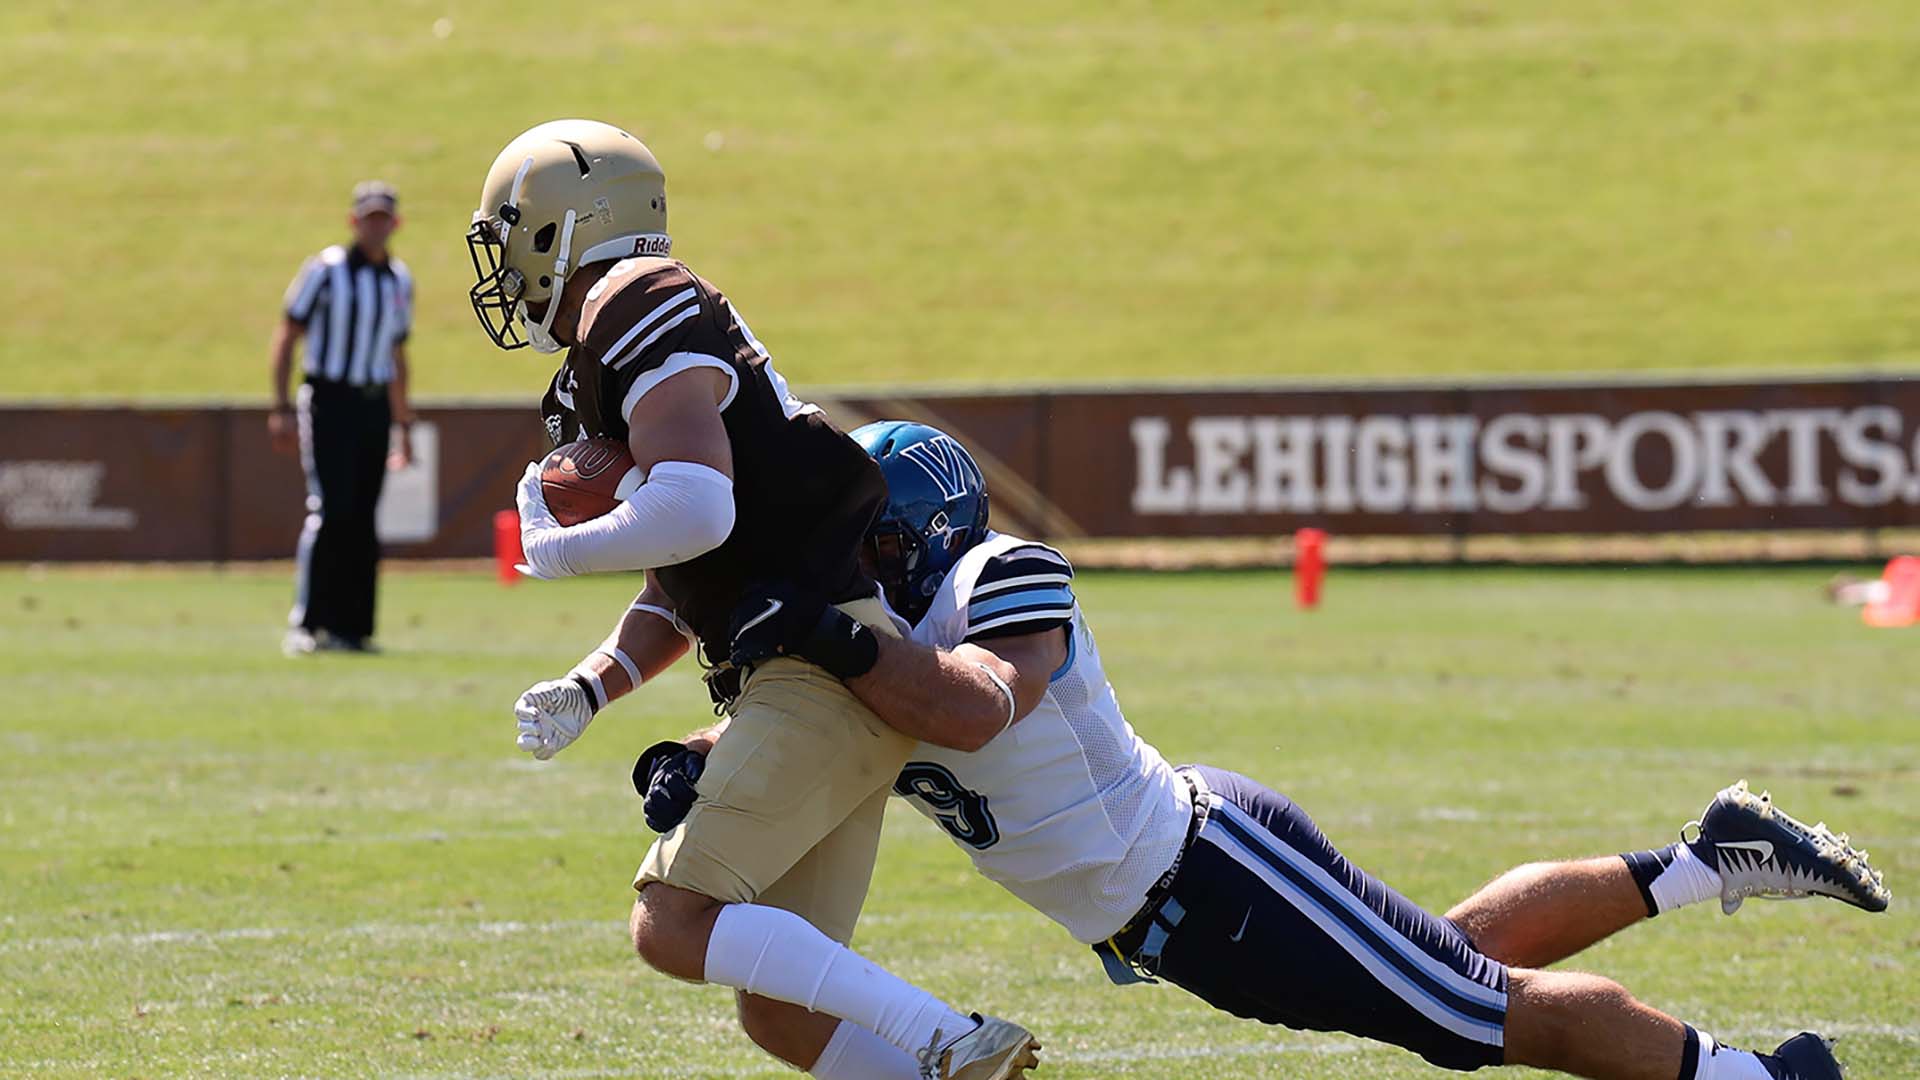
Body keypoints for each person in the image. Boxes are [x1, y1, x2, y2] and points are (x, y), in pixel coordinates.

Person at [626, 421, 1890, 1080]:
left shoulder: (1001, 576)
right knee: (1449, 971)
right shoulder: (879, 636)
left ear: (916, 531)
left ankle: (1761, 1079)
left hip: (1204, 876)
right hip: (1183, 889)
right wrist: (709, 748)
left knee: (1473, 1013)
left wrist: (824, 644)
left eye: (867, 538)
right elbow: (834, 722)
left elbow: (967, 707)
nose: (853, 563)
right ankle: (1700, 861)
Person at [476, 120, 1039, 1080]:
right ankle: (945, 1067)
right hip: (815, 678)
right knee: (781, 1012)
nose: (503, 265)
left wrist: (559, 552)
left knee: (670, 921)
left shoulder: (634, 296)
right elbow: (685, 578)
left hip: (821, 668)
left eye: (510, 233)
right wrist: (591, 685)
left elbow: (693, 508)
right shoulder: (596, 364)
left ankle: (946, 1038)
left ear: (564, 226)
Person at [272, 180, 416, 655]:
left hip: (373, 404)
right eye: (368, 218)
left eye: (384, 218)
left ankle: (355, 628)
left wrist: (403, 425)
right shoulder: (326, 270)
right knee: (330, 509)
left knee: (363, 516)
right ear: (355, 222)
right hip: (329, 398)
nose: (376, 226)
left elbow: (397, 356)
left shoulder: (398, 280)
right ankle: (309, 622)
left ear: (394, 224)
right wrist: (279, 405)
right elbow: (288, 334)